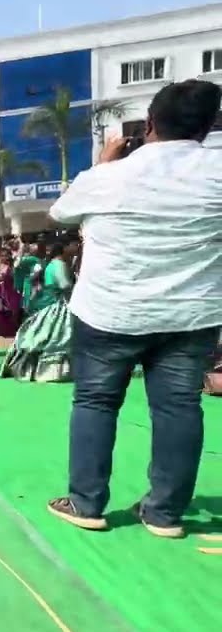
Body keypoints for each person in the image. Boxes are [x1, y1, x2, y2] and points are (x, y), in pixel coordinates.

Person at [42, 80, 222, 539]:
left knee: (96, 402)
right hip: (189, 315)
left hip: (110, 313)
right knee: (180, 407)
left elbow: (61, 213)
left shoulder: (108, 177)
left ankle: (86, 503)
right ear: (208, 126)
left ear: (149, 124)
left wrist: (103, 163)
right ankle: (164, 513)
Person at [0, 241, 77, 383]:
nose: (76, 248)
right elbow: (65, 284)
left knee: (43, 335)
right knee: (58, 337)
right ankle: (53, 371)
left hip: (51, 304)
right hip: (59, 304)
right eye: (73, 245)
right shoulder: (58, 264)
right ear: (64, 248)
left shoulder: (51, 264)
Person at [0, 249, 22, 338]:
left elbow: (15, 277)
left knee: (11, 310)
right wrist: (0, 277)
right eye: (2, 255)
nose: (4, 257)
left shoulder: (13, 266)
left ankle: (11, 330)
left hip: (10, 291)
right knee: (0, 311)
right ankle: (1, 331)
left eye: (6, 255)